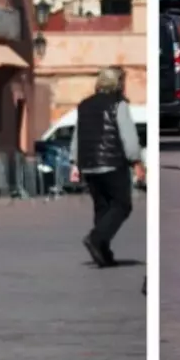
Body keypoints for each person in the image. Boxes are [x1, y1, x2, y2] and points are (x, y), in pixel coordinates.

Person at [70, 66, 145, 267]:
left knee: (102, 208)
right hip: (113, 164)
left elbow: (78, 135)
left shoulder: (84, 105)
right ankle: (96, 239)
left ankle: (102, 252)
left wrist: (75, 163)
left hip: (89, 165)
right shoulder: (118, 105)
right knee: (122, 205)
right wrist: (136, 161)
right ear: (118, 83)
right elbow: (128, 136)